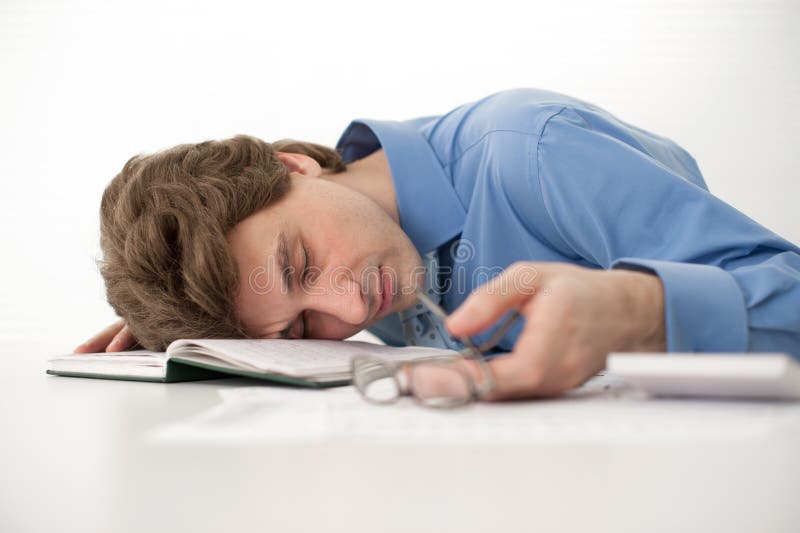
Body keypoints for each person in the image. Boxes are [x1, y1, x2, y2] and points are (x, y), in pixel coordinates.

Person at [75, 88, 800, 400]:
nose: (348, 309)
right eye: (300, 328)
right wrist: (195, 333)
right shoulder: (359, 265)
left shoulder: (533, 153)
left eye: (300, 264)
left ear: (291, 167)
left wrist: (642, 310)